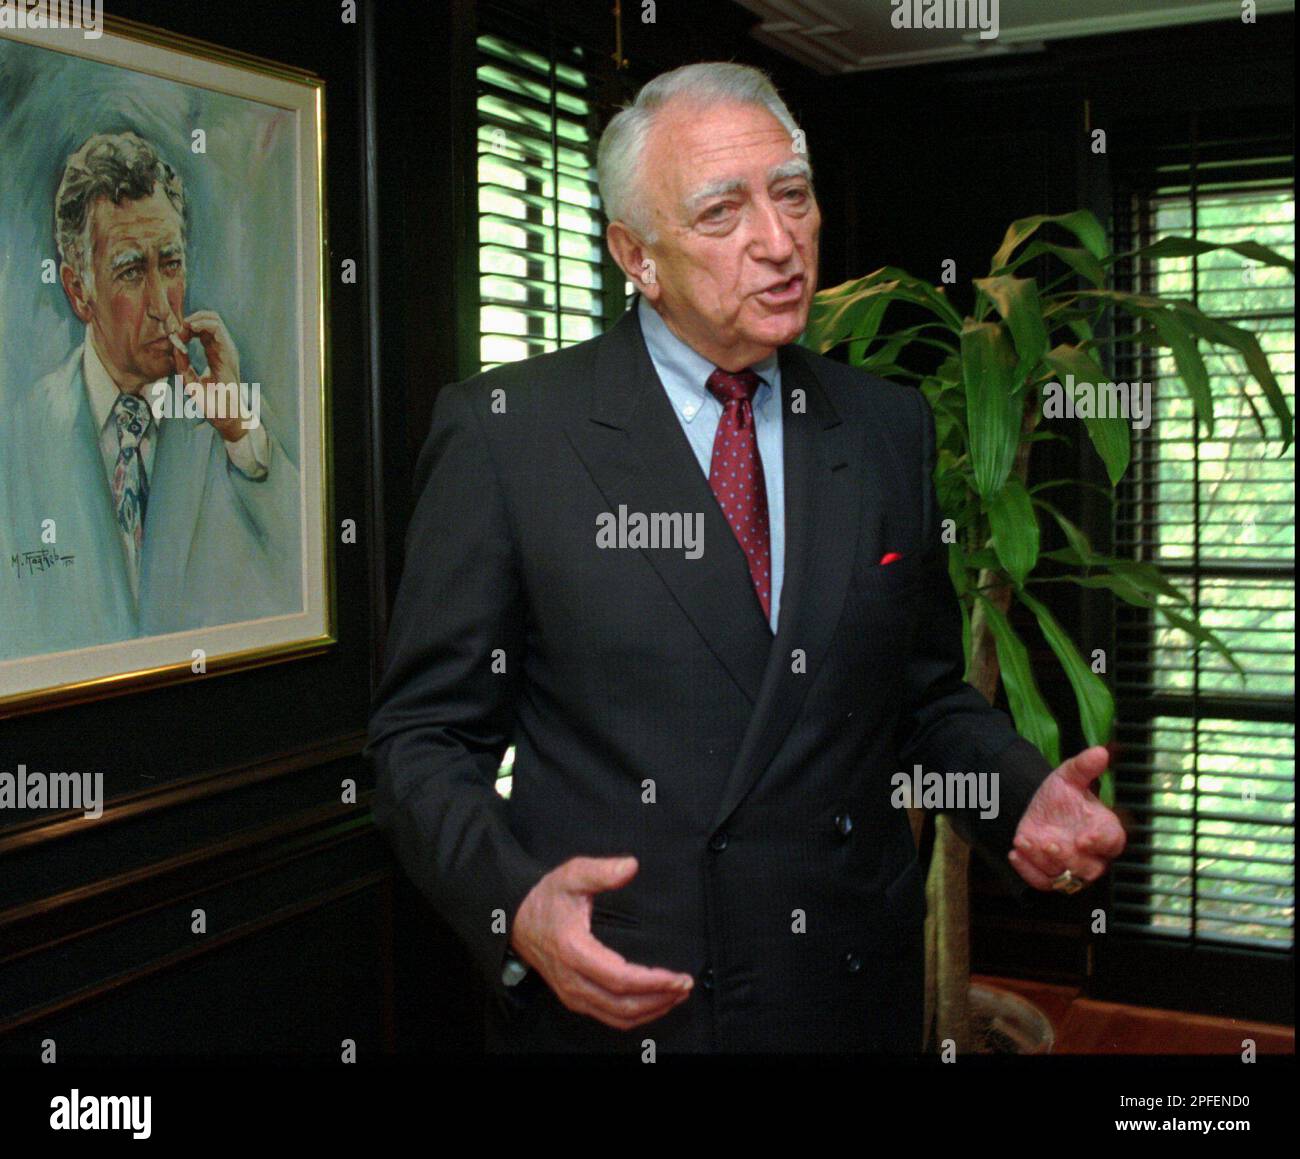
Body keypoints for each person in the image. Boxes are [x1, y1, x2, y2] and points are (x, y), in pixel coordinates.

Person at [366, 62, 1125, 1054]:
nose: (778, 244)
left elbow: (920, 695)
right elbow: (420, 739)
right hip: (640, 999)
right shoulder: (511, 435)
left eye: (793, 196)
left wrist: (1014, 793)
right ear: (634, 254)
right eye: (721, 212)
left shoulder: (880, 424)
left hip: (853, 992)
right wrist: (517, 905)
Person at [0, 131, 300, 661]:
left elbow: (306, 572)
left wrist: (238, 432)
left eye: (172, 263)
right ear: (77, 290)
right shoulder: (21, 437)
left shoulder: (229, 410)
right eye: (132, 271)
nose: (164, 306)